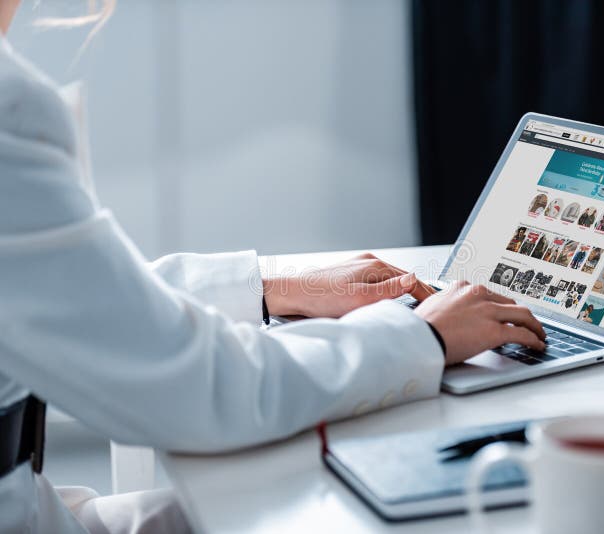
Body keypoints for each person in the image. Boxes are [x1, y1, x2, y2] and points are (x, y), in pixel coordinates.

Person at [0, 2, 547, 533]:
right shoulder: (11, 111)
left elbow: (65, 297)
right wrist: (419, 336)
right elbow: (199, 390)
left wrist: (269, 290)